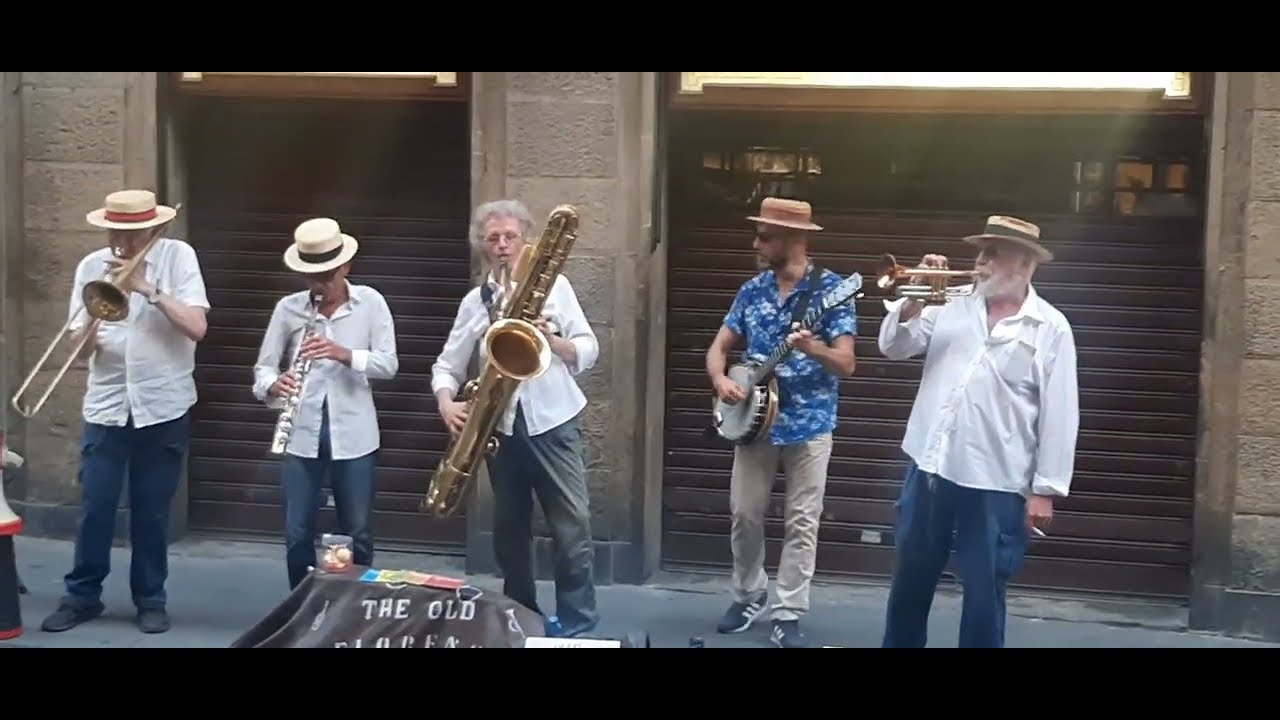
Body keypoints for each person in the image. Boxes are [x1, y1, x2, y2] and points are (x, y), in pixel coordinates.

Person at [877, 215, 1080, 649]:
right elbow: (894, 346)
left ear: (1024, 264)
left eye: (994, 253)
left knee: (986, 593)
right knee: (910, 582)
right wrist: (914, 301)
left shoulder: (1051, 327)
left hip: (996, 481)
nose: (981, 262)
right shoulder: (951, 300)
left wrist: (1044, 489)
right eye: (981, 252)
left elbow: (1061, 414)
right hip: (929, 466)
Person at [40, 189, 210, 635]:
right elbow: (78, 350)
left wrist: (147, 290)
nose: (122, 241)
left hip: (163, 405)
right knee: (95, 506)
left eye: (132, 232)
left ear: (152, 228)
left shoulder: (179, 257)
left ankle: (150, 599)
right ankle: (82, 597)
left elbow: (196, 327)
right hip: (107, 406)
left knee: (152, 512)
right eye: (116, 230)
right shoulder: (90, 267)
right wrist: (94, 323)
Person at [431, 199, 600, 638]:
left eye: (510, 237)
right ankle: (521, 618)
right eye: (493, 239)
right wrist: (447, 402)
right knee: (509, 530)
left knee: (572, 525)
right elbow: (447, 365)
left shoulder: (555, 288)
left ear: (526, 242)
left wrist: (554, 340)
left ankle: (578, 624)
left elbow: (588, 348)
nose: (502, 246)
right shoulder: (476, 301)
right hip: (500, 428)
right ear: (483, 248)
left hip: (554, 423)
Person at [705, 197, 857, 648]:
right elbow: (718, 348)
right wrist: (720, 381)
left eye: (765, 236)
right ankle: (749, 593)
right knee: (744, 514)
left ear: (794, 240)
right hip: (754, 423)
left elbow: (847, 363)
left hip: (810, 424)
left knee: (802, 521)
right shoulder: (752, 290)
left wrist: (814, 349)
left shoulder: (833, 291)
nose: (757, 243)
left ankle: (788, 609)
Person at [252, 218, 399, 590]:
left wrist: (344, 354)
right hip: (301, 433)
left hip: (355, 434)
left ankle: (354, 605)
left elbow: (389, 364)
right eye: (311, 279)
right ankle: (301, 606)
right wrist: (273, 384)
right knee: (298, 531)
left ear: (345, 267)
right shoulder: (289, 309)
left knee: (358, 531)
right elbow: (263, 368)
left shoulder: (371, 303)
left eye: (327, 277)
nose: (319, 287)